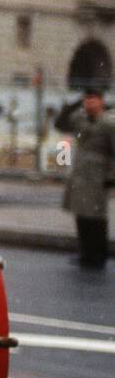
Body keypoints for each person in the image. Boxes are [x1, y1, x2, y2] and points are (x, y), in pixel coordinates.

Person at [56, 88, 115, 268]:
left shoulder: (108, 124)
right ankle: (85, 253)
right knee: (81, 214)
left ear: (101, 102)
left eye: (93, 99)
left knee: (96, 216)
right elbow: (60, 124)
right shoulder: (79, 119)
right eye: (87, 99)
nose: (90, 103)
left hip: (98, 174)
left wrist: (112, 177)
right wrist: (71, 104)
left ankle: (98, 255)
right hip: (80, 173)